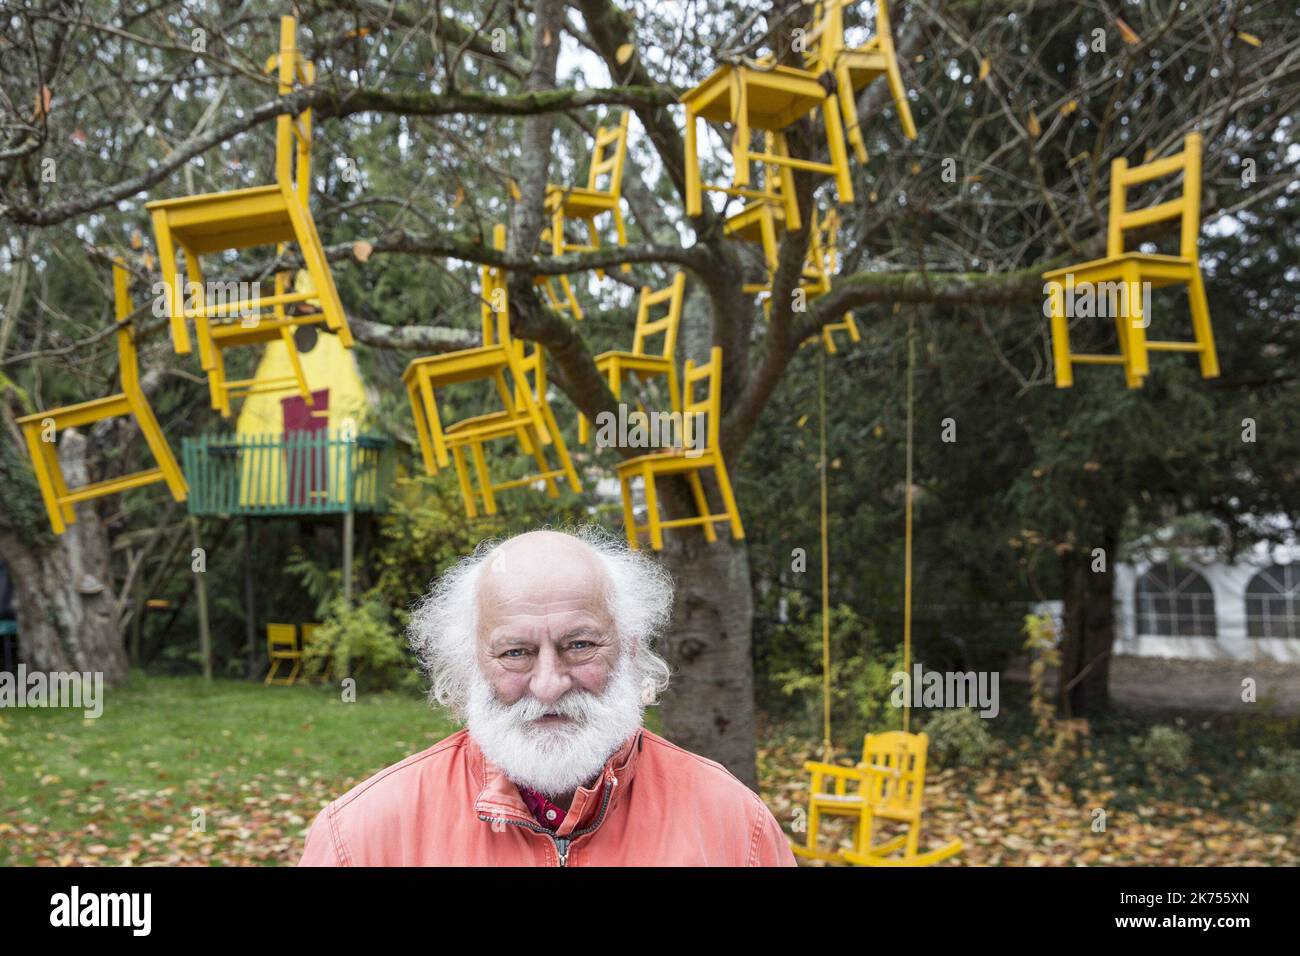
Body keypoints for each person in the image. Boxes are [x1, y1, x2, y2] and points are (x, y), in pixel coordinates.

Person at [299, 525, 795, 866]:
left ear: (629, 649)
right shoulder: (360, 837)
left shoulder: (735, 824)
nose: (549, 684)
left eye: (579, 645)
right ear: (471, 664)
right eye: (515, 652)